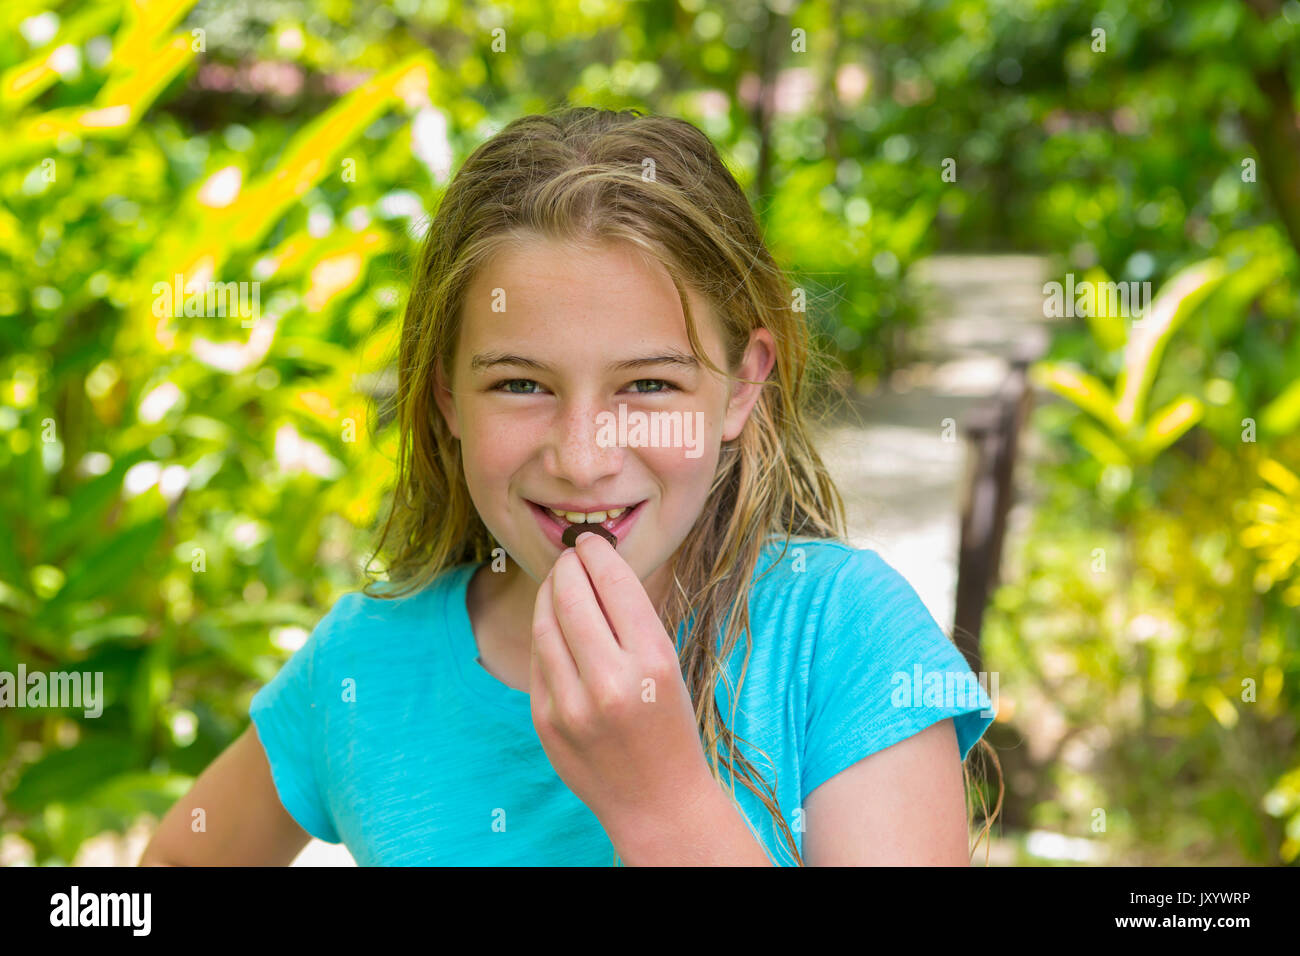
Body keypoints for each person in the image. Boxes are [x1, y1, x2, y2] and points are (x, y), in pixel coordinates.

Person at [140, 106, 1000, 867]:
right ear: (448, 397)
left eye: (648, 385)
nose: (583, 459)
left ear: (740, 388)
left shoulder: (843, 642)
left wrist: (659, 805)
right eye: (520, 385)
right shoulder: (366, 663)